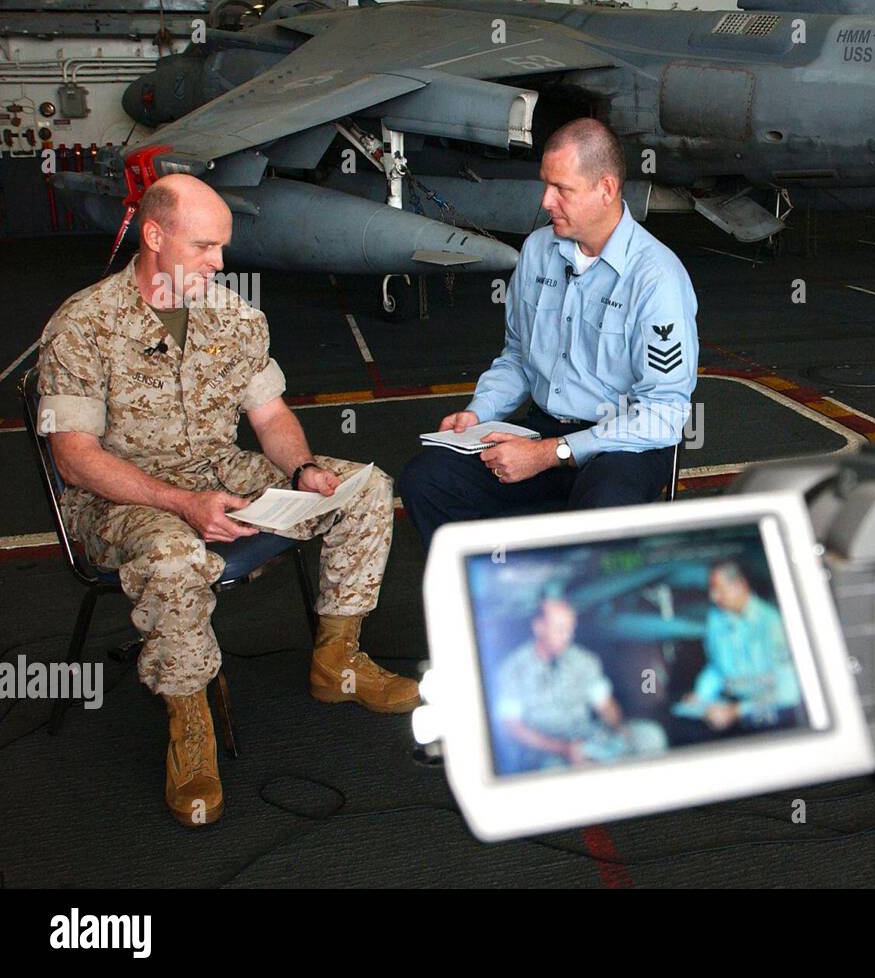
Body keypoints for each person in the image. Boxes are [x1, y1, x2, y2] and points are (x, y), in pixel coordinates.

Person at [35, 174, 417, 828]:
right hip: (120, 493)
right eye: (206, 247)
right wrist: (182, 503)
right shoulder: (84, 324)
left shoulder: (235, 317)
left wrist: (301, 470)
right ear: (155, 237)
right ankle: (190, 721)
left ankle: (337, 660)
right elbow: (75, 456)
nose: (220, 263)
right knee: (173, 555)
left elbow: (269, 418)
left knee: (363, 489)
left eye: (223, 247)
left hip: (217, 470)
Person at [399, 117, 698, 550]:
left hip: (623, 444)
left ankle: (573, 613)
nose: (546, 201)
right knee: (427, 481)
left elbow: (664, 414)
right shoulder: (538, 251)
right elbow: (518, 356)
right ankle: (490, 608)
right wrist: (479, 412)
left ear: (606, 190)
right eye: (545, 185)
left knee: (602, 514)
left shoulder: (657, 279)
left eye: (562, 189)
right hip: (543, 431)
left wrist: (550, 453)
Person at [494, 595, 666, 772]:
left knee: (650, 735)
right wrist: (563, 749)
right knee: (554, 769)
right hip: (545, 749)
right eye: (560, 629)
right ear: (539, 628)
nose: (567, 636)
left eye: (570, 629)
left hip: (587, 738)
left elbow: (605, 705)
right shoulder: (512, 669)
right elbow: (512, 727)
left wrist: (618, 728)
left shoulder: (584, 661)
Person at [677, 561, 801, 732]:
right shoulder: (715, 618)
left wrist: (737, 711)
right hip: (732, 702)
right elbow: (717, 667)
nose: (714, 597)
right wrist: (700, 695)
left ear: (740, 585)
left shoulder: (773, 623)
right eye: (711, 590)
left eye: (719, 589)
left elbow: (788, 692)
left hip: (772, 710)